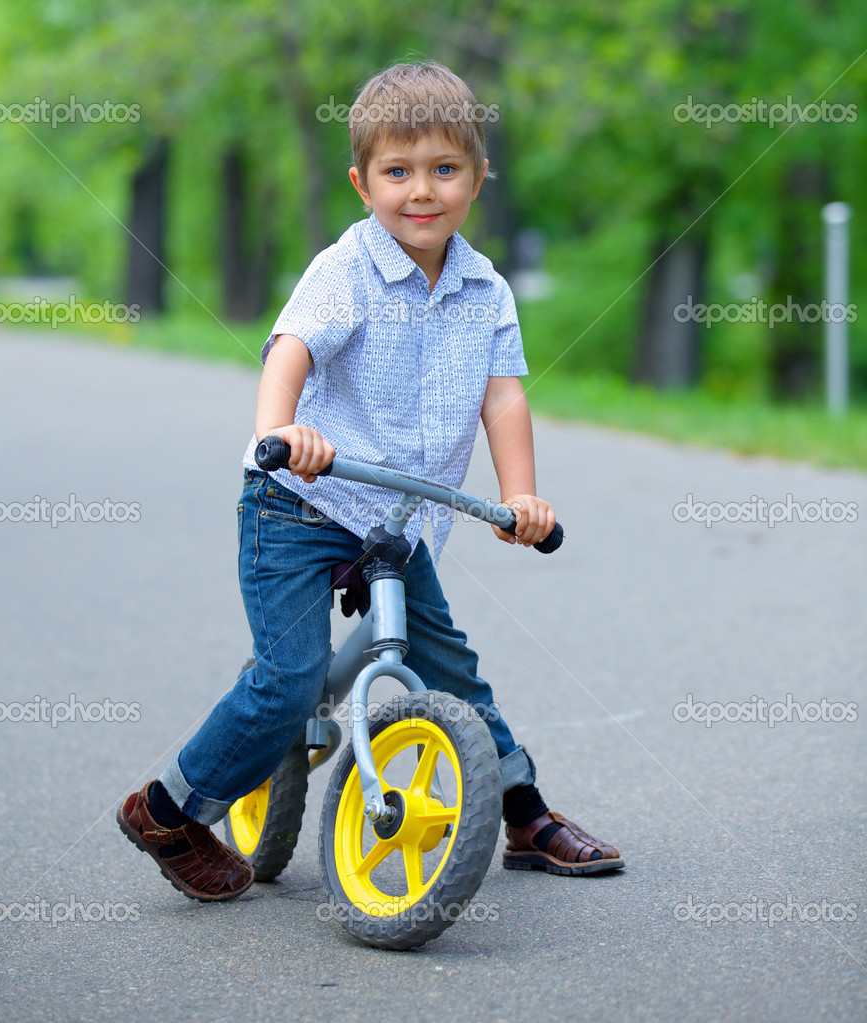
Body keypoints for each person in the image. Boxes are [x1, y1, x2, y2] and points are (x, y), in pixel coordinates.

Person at [118, 60, 623, 901]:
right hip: (302, 502)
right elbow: (292, 350)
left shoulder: (485, 289)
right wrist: (281, 430)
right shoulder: (346, 270)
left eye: (444, 169)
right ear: (362, 182)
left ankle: (524, 813)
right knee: (287, 677)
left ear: (477, 177)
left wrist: (521, 492)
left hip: (400, 520)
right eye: (398, 171)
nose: (420, 191)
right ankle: (169, 808)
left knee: (453, 671)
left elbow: (503, 396)